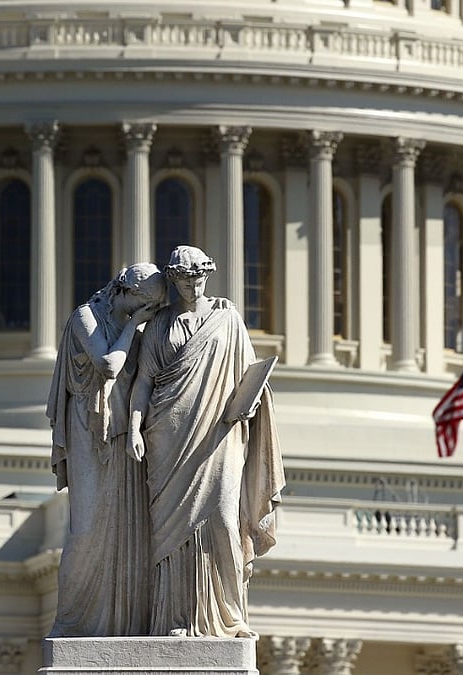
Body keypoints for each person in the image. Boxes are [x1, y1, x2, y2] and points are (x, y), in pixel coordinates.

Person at [127, 245, 285, 638]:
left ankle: (228, 615)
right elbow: (144, 381)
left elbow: (251, 374)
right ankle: (177, 618)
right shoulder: (160, 326)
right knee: (171, 534)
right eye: (184, 280)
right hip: (167, 436)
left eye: (198, 278)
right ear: (173, 280)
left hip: (219, 434)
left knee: (223, 520)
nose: (192, 286)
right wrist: (133, 428)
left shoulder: (227, 318)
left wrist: (250, 403)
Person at [46, 263, 167, 637]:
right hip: (89, 428)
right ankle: (72, 621)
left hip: (122, 434)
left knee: (127, 528)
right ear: (125, 291)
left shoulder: (140, 331)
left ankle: (124, 622)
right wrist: (134, 326)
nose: (147, 312)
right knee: (87, 529)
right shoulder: (87, 317)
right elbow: (108, 365)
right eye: (145, 303)